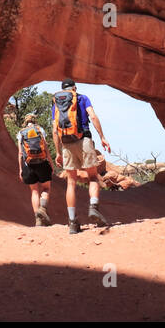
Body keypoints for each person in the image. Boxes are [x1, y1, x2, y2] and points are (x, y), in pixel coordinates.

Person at [51, 80, 111, 234]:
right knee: (93, 177)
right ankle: (93, 208)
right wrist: (102, 137)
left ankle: (72, 222)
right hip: (83, 138)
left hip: (66, 142)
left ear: (62, 90)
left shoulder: (56, 103)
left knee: (71, 182)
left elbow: (54, 129)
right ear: (74, 88)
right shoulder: (82, 98)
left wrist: (57, 152)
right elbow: (93, 116)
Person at [16, 113, 54, 226]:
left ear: (25, 121)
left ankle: (38, 220)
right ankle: (42, 208)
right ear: (34, 120)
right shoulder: (40, 130)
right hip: (42, 163)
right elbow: (46, 148)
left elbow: (20, 153)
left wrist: (20, 169)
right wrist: (51, 163)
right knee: (46, 188)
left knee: (34, 191)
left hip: (28, 164)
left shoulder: (21, 133)